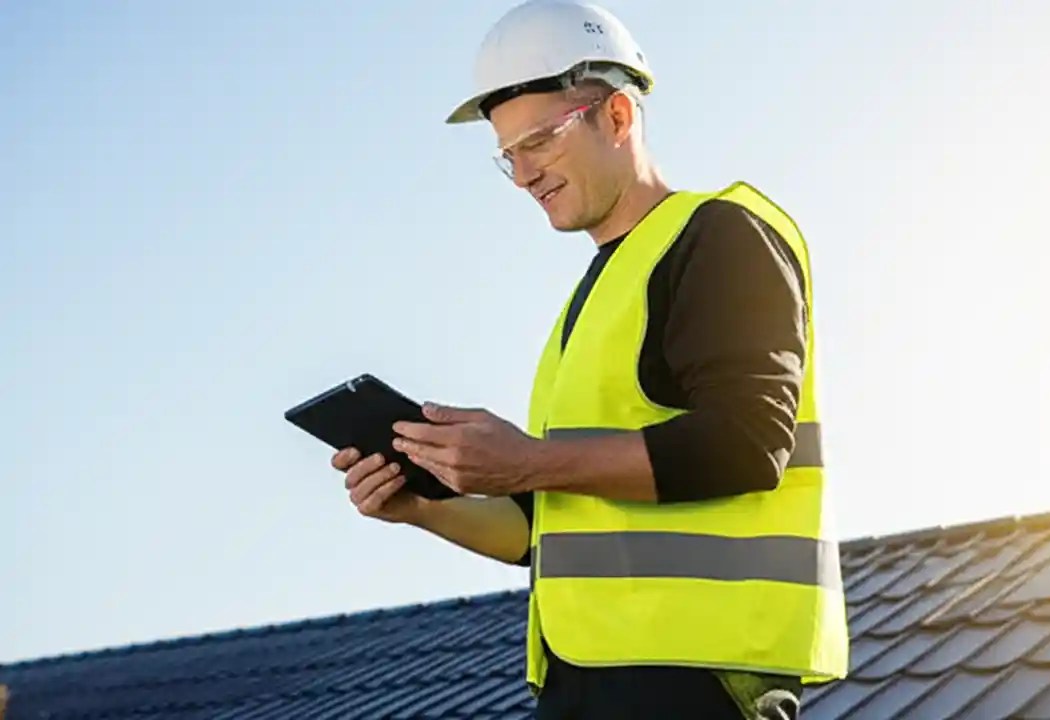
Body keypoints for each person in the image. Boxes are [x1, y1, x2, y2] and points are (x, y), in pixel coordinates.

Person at [332, 1, 849, 717]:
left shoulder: (719, 234)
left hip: (693, 681)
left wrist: (527, 462)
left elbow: (748, 442)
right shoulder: (590, 302)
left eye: (539, 141)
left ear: (616, 116)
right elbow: (540, 532)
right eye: (508, 155)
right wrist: (420, 506)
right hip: (586, 683)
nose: (523, 175)